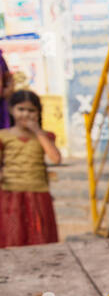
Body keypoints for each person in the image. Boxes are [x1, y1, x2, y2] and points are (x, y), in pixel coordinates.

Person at [0, 90, 61, 247]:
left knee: (40, 238)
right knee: (12, 238)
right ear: (11, 110)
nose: (26, 114)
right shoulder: (4, 136)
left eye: (31, 110)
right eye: (21, 109)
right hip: (10, 194)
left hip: (38, 193)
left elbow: (55, 158)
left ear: (38, 112)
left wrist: (38, 132)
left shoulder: (45, 136)